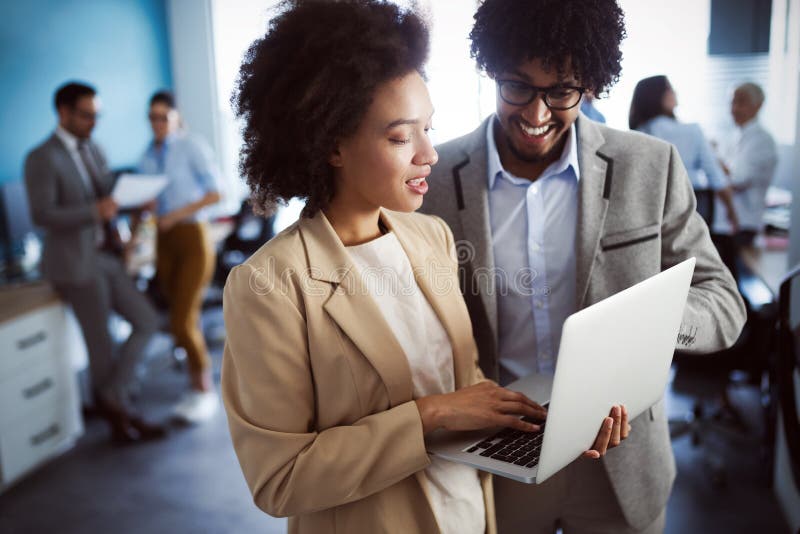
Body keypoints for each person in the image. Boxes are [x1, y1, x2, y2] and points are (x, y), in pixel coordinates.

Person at [221, 2, 627, 533]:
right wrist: (430, 416)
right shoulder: (269, 285)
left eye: (429, 129)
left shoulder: (430, 236)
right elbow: (280, 478)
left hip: (471, 513)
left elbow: (467, 389)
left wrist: (559, 425)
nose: (429, 155)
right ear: (332, 143)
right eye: (400, 137)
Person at [419, 0, 746, 532]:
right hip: (496, 461)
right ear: (492, 71)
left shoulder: (650, 165)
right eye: (518, 86)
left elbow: (723, 303)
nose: (536, 114)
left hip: (623, 455)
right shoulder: (433, 183)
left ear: (590, 83)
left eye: (561, 91)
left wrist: (653, 323)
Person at [24, 82, 165, 444]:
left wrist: (137, 199)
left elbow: (108, 193)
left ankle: (111, 399)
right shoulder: (41, 157)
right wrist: (92, 212)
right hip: (76, 264)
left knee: (147, 320)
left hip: (108, 256)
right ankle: (121, 416)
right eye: (86, 116)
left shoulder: (94, 148)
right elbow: (42, 215)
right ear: (64, 113)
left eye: (96, 115)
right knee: (102, 348)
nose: (93, 123)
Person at [138, 91, 222, 424]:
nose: (157, 124)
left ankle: (205, 392)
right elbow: (147, 199)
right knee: (185, 317)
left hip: (191, 237)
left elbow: (216, 192)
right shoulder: (146, 156)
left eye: (163, 117)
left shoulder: (191, 146)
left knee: (181, 321)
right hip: (162, 241)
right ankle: (194, 385)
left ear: (176, 117)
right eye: (152, 118)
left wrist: (176, 215)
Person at [630, 75, 738, 231]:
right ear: (657, 96)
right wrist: (733, 214)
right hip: (691, 209)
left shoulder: (636, 134)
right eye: (670, 89)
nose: (675, 93)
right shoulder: (692, 131)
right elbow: (716, 178)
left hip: (650, 210)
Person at [713, 82, 778, 248]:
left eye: (740, 102)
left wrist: (712, 157)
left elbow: (738, 179)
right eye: (732, 102)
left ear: (758, 106)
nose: (734, 109)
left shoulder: (762, 140)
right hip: (726, 223)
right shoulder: (733, 136)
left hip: (743, 224)